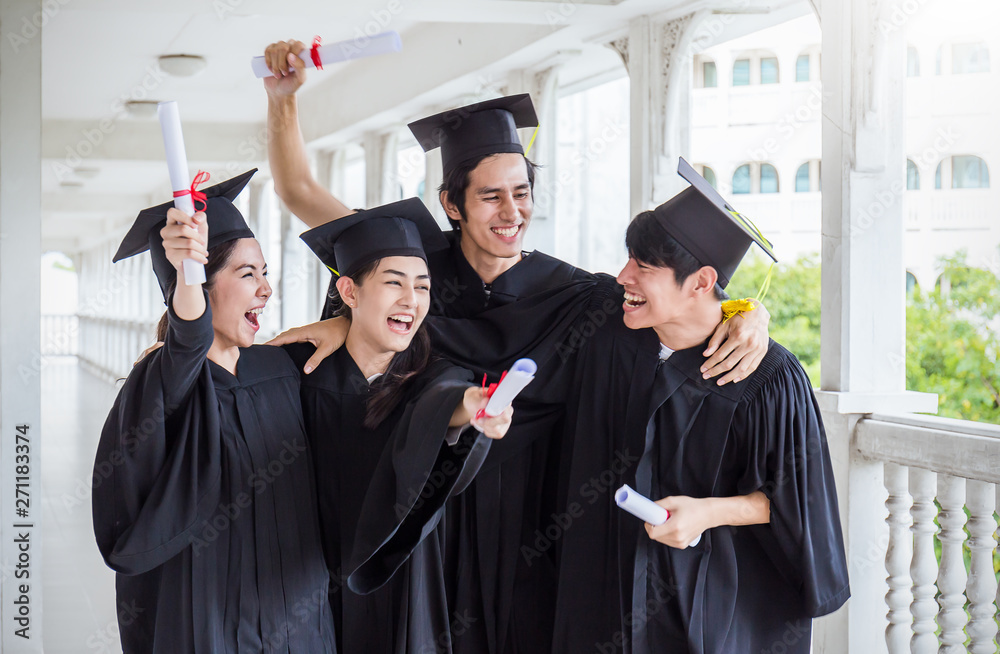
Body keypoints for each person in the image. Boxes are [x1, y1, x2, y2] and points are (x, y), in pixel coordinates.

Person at [262, 39, 773, 654]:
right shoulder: (415, 278)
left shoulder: (576, 296)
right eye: (490, 196)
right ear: (451, 203)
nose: (512, 212)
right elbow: (297, 190)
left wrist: (751, 312)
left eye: (522, 192)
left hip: (537, 525)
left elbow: (679, 305)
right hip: (426, 518)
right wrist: (283, 102)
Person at [92, 170, 338, 653]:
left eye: (265, 272)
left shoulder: (281, 369)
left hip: (295, 615)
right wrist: (188, 271)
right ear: (200, 287)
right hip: (207, 615)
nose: (266, 289)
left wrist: (343, 325)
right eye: (248, 274)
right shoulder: (166, 382)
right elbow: (188, 340)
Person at [285, 198, 514, 653]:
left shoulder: (433, 376)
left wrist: (475, 405)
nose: (411, 300)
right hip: (299, 581)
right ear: (349, 292)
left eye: (423, 287)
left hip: (399, 582)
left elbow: (443, 403)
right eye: (394, 283)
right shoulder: (299, 372)